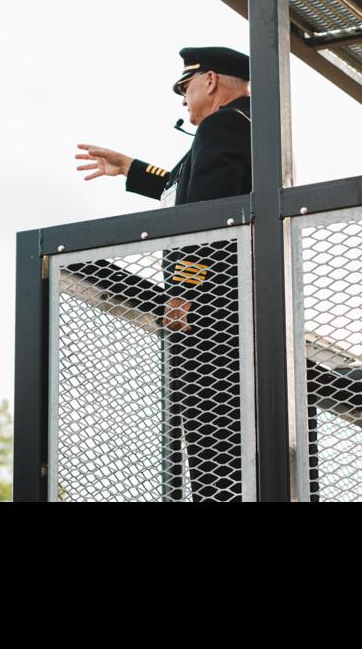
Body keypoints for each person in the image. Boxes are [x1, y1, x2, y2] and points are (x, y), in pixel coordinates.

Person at [70, 46, 252, 501]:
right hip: (236, 300)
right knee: (230, 437)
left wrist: (184, 291)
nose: (182, 99)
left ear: (209, 81)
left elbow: (203, 215)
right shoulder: (243, 126)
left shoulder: (221, 126)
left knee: (212, 440)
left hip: (211, 311)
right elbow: (185, 181)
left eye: (185, 87)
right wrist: (130, 168)